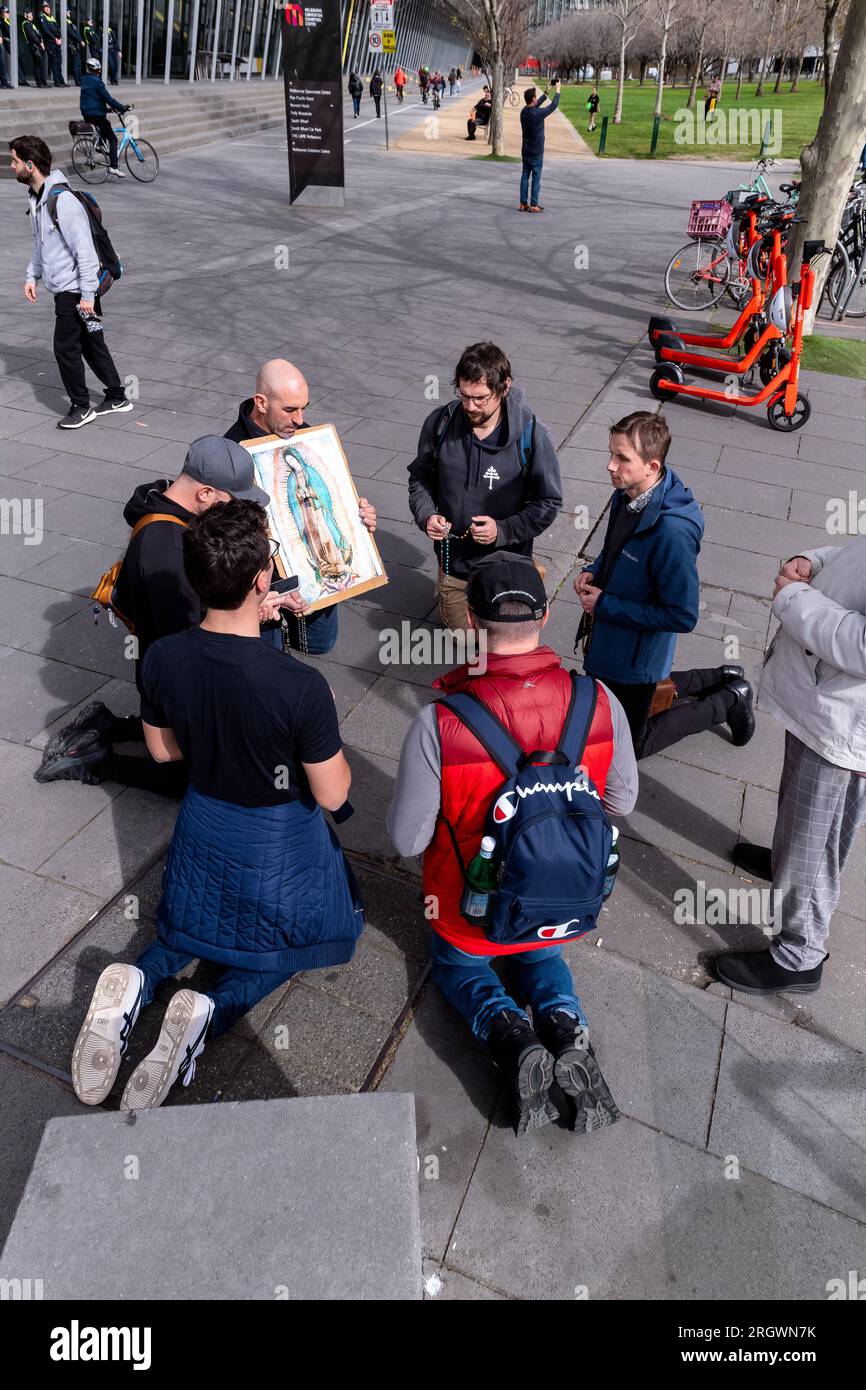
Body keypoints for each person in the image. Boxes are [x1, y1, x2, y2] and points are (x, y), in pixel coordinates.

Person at [70, 499, 364, 1110]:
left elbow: (162, 752)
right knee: (305, 936)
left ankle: (137, 983)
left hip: (205, 821)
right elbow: (334, 794)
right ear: (263, 580)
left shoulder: (162, 657)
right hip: (280, 838)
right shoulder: (299, 686)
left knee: (196, 925)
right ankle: (208, 1009)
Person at [387, 552, 638, 1135]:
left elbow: (406, 839)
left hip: (468, 912)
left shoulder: (441, 722)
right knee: (543, 955)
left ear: (472, 622)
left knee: (462, 967)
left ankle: (508, 1030)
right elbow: (621, 803)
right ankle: (564, 1024)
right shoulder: (599, 699)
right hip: (560, 905)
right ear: (546, 616)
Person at [35, 437, 307, 792]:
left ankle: (117, 726)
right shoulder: (165, 552)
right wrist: (252, 613)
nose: (236, 510)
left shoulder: (165, 503)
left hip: (162, 657)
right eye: (231, 500)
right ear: (205, 493)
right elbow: (192, 640)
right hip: (172, 670)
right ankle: (98, 763)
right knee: (206, 777)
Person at [714, 539, 866, 997]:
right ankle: (787, 864)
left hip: (845, 722)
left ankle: (799, 955)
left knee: (814, 839)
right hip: (827, 701)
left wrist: (795, 598)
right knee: (800, 820)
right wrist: (817, 563)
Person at [574, 411, 754, 760]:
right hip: (612, 645)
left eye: (622, 458)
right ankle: (719, 675)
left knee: (631, 746)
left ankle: (728, 700)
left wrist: (605, 605)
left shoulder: (672, 532)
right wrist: (595, 569)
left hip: (635, 659)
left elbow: (682, 615)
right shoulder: (628, 493)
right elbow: (616, 549)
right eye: (611, 454)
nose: (610, 466)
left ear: (652, 467)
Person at [224, 358, 377, 656]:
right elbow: (223, 546)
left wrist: (357, 516)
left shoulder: (305, 437)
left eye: (303, 407)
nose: (299, 419)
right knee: (266, 655)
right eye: (290, 410)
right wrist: (270, 594)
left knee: (320, 642)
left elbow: (329, 499)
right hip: (259, 584)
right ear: (261, 402)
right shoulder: (231, 452)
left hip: (312, 560)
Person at [408, 341, 562, 631]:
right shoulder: (440, 423)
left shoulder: (532, 434)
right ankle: (449, 582)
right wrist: (426, 515)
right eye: (464, 395)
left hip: (506, 561)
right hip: (457, 562)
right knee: (465, 638)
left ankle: (528, 571)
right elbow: (420, 479)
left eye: (480, 398)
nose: (470, 406)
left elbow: (549, 502)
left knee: (500, 639)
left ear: (504, 388)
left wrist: (502, 530)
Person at [10, 134, 131, 431]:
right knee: (91, 343)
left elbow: (86, 253)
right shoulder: (38, 199)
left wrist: (87, 296)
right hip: (73, 289)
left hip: (75, 290)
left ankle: (80, 406)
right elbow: (42, 244)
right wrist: (32, 275)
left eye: (14, 161)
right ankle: (117, 396)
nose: (12, 166)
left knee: (65, 348)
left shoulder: (63, 202)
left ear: (30, 165)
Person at [80, 54, 128, 177]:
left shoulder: (85, 79)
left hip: (87, 113)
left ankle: (100, 145)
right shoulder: (97, 82)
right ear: (97, 70)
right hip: (95, 114)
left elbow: (92, 99)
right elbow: (108, 98)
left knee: (105, 125)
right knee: (113, 138)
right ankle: (113, 167)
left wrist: (107, 110)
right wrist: (122, 107)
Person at [519, 79, 560, 213]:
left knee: (525, 176)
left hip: (525, 150)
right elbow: (553, 106)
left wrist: (547, 91)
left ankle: (523, 203)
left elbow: (535, 105)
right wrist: (558, 91)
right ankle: (534, 204)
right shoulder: (538, 114)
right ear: (533, 99)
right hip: (536, 151)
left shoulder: (523, 112)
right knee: (536, 177)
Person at [38, 2, 64, 84]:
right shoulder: (42, 17)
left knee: (59, 62)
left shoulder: (52, 17)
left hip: (57, 42)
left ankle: (61, 80)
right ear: (43, 9)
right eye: (45, 7)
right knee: (54, 62)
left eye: (48, 7)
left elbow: (58, 29)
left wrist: (60, 38)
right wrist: (55, 38)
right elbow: (46, 30)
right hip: (51, 43)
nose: (47, 8)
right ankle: (57, 82)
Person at [2, 5, 29, 85]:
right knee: (15, 62)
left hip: (15, 43)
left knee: (19, 61)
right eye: (6, 12)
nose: (8, 14)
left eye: (8, 12)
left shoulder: (10, 21)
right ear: (2, 14)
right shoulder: (2, 22)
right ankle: (20, 79)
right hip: (8, 43)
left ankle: (22, 79)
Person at [22, 9, 48, 86]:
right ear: (26, 15)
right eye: (29, 14)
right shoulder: (26, 24)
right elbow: (32, 36)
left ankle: (43, 82)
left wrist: (41, 40)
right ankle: (39, 83)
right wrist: (40, 43)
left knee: (41, 64)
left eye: (31, 14)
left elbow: (38, 34)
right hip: (34, 46)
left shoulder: (32, 24)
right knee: (38, 64)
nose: (31, 16)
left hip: (39, 45)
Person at [67, 10, 85, 84]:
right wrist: (80, 41)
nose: (69, 14)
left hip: (74, 44)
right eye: (68, 12)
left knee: (78, 63)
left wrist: (80, 40)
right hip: (71, 45)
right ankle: (77, 81)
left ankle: (79, 80)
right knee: (76, 63)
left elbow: (76, 33)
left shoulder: (70, 22)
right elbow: (72, 33)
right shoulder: (66, 22)